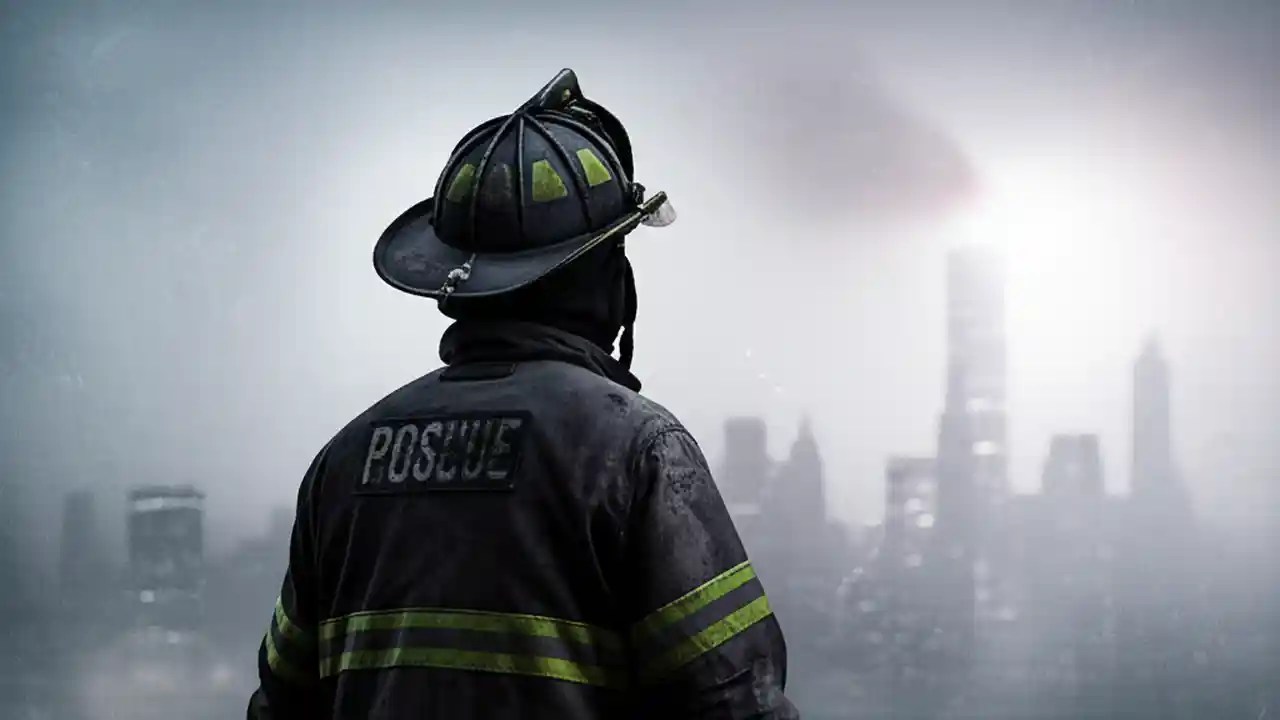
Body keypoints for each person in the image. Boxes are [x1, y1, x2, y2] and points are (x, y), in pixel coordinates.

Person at [247, 68, 798, 719]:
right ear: (603, 278)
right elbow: (735, 703)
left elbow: (282, 704)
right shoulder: (636, 451)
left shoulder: (343, 462)